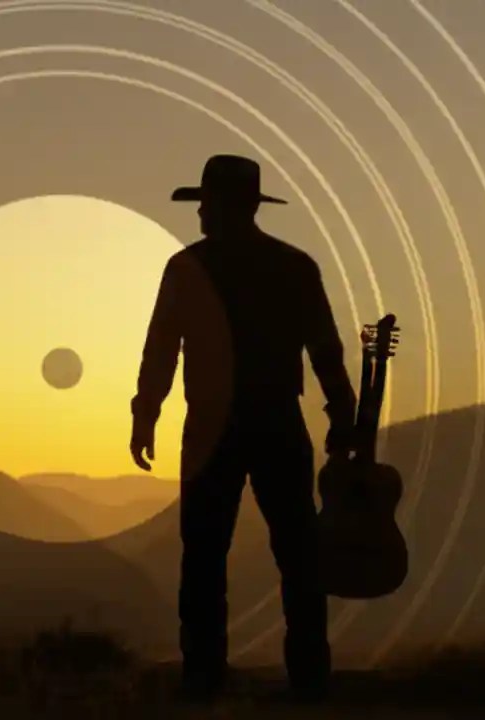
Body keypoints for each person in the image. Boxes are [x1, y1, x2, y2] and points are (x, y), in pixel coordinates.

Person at [129, 154, 357, 703]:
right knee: (298, 554)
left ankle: (203, 677)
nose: (200, 214)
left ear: (219, 206)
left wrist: (146, 412)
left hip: (211, 426)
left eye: (205, 204)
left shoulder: (187, 268)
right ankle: (309, 678)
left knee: (204, 555)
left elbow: (162, 349)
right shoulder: (295, 267)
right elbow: (325, 348)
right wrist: (341, 411)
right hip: (278, 419)